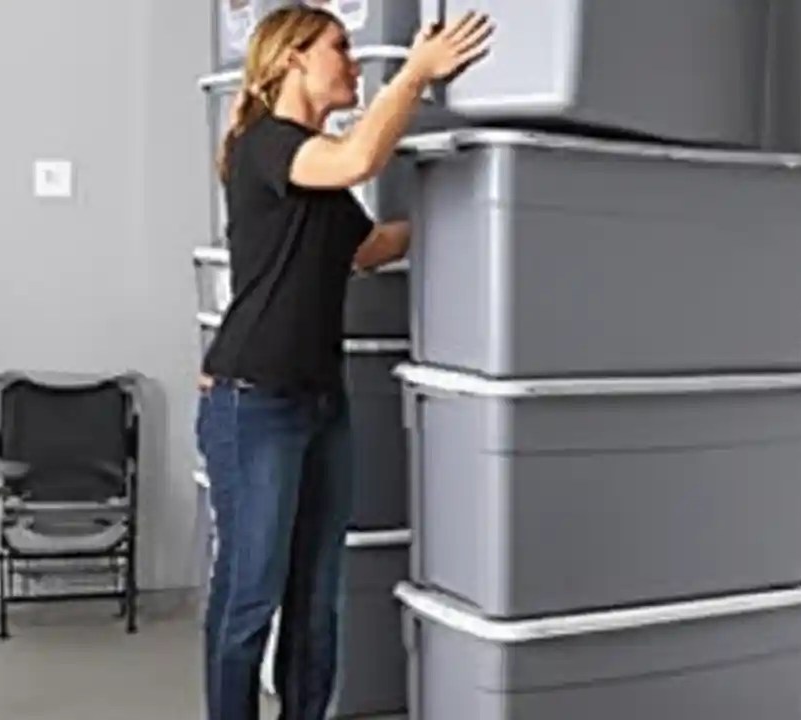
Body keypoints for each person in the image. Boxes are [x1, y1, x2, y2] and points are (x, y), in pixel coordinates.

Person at [194, 7, 492, 720]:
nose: (354, 64)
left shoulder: (316, 170)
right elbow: (357, 160)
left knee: (316, 597)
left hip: (321, 401)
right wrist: (415, 75)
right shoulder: (266, 145)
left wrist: (477, 204)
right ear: (293, 58)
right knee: (250, 596)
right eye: (340, 48)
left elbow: (370, 247)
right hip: (252, 399)